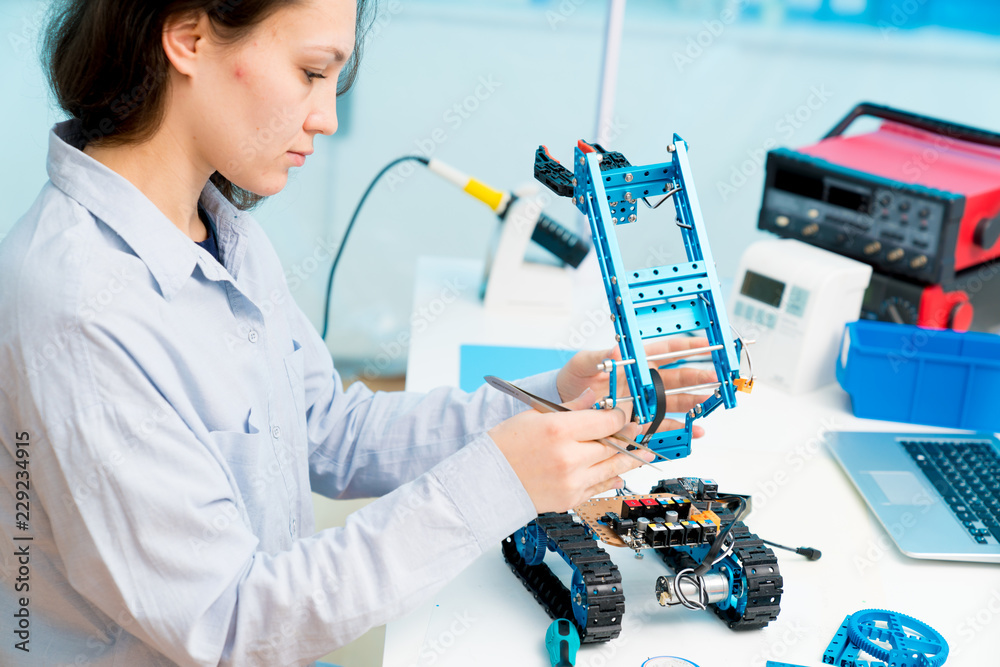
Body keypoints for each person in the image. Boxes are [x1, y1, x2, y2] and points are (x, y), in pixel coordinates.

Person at [0, 1, 714, 665]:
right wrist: (497, 481)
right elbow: (229, 620)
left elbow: (325, 428)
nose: (326, 117)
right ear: (188, 38)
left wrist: (556, 399)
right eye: (311, 73)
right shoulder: (80, 310)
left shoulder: (218, 231)